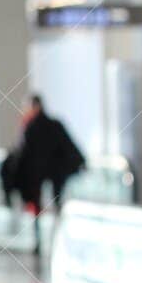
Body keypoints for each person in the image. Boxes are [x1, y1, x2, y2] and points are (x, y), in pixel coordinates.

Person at [8, 95, 86, 254]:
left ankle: (43, 242)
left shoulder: (31, 127)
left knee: (40, 208)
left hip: (38, 175)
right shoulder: (54, 125)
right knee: (55, 205)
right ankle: (57, 240)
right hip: (54, 174)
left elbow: (22, 153)